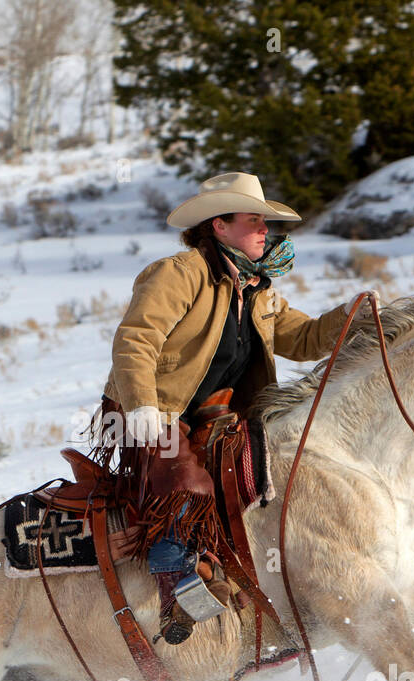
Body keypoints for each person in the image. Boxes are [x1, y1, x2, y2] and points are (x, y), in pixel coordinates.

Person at [90, 171, 357, 645]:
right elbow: (136, 339)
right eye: (254, 221)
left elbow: (304, 338)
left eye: (265, 223)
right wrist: (143, 407)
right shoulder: (179, 272)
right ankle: (176, 588)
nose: (264, 231)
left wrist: (350, 317)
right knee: (187, 485)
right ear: (219, 225)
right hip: (156, 411)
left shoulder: (257, 288)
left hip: (218, 415)